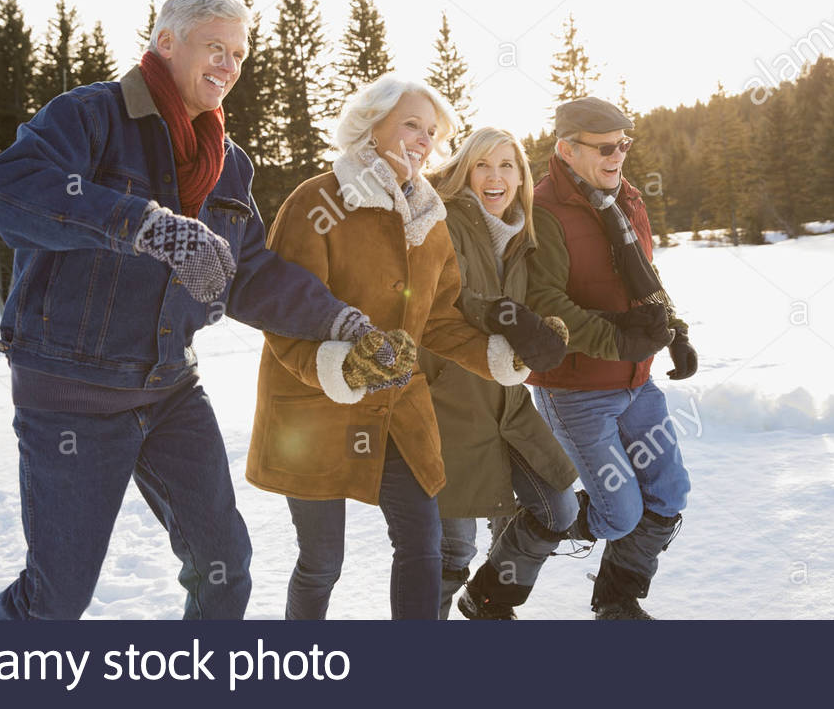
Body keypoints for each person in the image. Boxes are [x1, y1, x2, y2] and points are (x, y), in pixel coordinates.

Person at [0, 0, 392, 620]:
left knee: (226, 572)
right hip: (71, 393)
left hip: (169, 389)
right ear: (167, 43)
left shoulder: (227, 163)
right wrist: (141, 223)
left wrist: (339, 322)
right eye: (214, 47)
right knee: (53, 604)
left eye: (239, 55)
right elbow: (13, 188)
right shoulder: (92, 116)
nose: (228, 66)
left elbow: (245, 271)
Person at [246, 76, 569, 620]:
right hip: (315, 410)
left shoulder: (430, 220)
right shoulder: (319, 200)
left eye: (431, 131)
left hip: (400, 409)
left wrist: (502, 356)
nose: (422, 139)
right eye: (410, 125)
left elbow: (439, 321)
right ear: (372, 127)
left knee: (423, 549)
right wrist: (344, 365)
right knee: (323, 562)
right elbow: (282, 313)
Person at [526, 97, 698, 620]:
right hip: (575, 387)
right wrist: (617, 341)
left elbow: (646, 278)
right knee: (618, 513)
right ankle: (532, 526)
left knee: (668, 495)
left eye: (624, 143)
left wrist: (676, 332)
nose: (618, 153)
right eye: (605, 146)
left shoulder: (625, 199)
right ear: (567, 149)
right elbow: (545, 303)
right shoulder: (543, 211)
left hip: (636, 382)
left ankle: (616, 603)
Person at [423, 127, 581, 620]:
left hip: (507, 400)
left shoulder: (521, 233)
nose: (495, 177)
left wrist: (552, 329)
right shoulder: (444, 220)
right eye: (483, 165)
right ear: (464, 171)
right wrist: (509, 318)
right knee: (451, 552)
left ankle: (487, 601)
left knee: (558, 508)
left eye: (507, 165)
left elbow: (541, 299)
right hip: (450, 400)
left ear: (521, 175)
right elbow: (451, 295)